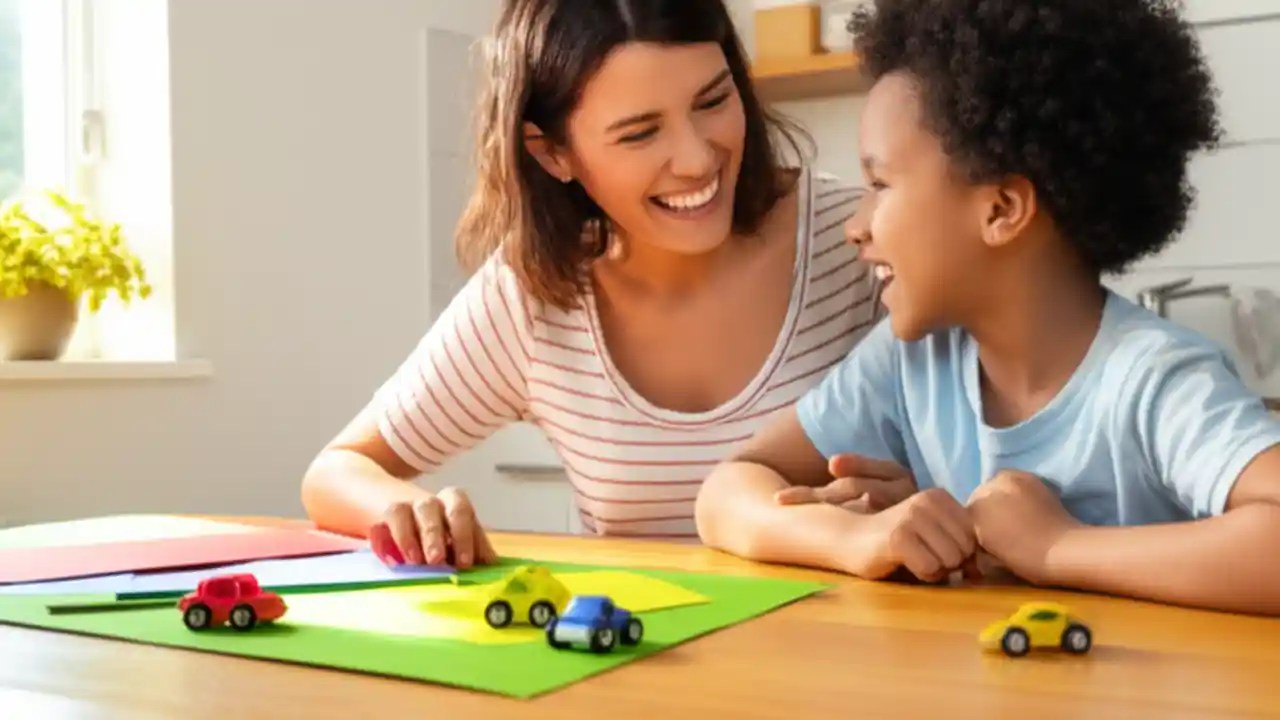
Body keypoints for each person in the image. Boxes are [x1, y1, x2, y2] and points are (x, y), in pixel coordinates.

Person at [695, 0, 1280, 616]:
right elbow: (726, 492)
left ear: (1000, 211)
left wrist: (1059, 548)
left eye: (880, 185)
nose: (856, 226)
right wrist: (859, 538)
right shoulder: (909, 363)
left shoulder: (1155, 380)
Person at [300, 0, 880, 569]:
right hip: (636, 652)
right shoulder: (531, 294)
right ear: (553, 153)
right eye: (639, 134)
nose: (696, 158)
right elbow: (336, 471)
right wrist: (415, 510)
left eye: (713, 100)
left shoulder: (860, 238)